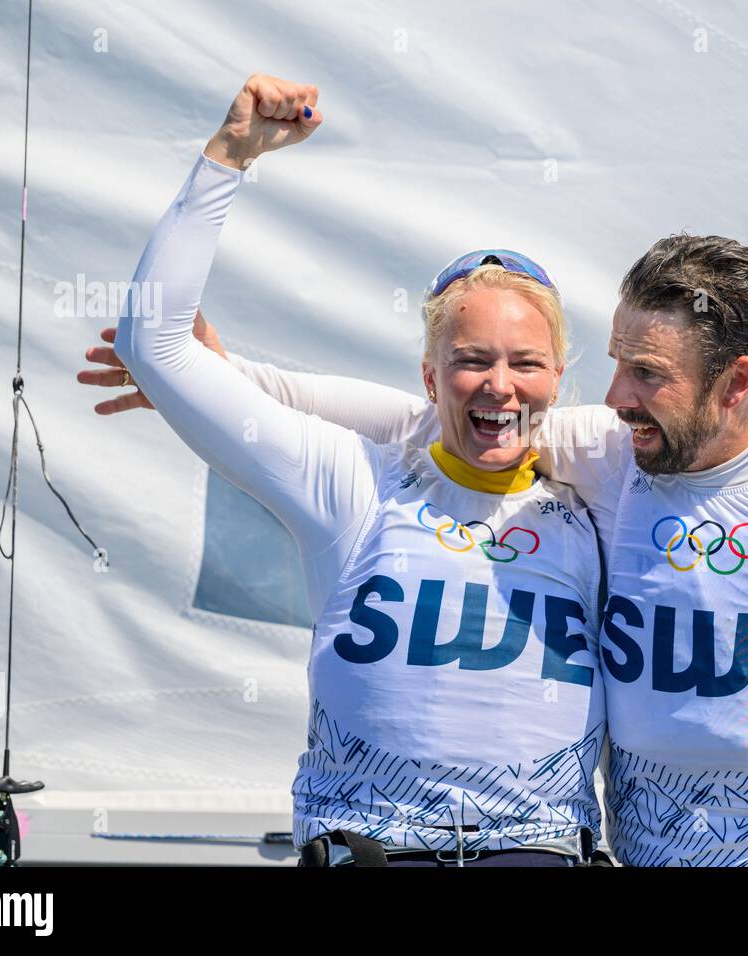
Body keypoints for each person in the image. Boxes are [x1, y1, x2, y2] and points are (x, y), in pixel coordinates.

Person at [114, 74, 618, 866]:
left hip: (541, 851)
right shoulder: (352, 480)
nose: (499, 384)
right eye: (471, 361)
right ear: (427, 377)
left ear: (558, 378)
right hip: (374, 851)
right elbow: (153, 342)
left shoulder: (604, 500)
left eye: (526, 363)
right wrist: (229, 157)